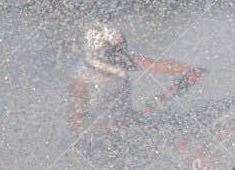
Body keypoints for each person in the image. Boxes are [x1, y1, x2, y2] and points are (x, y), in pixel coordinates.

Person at [67, 23, 203, 141]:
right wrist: (108, 125)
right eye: (115, 52)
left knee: (173, 123)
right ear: (99, 52)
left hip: (129, 121)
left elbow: (156, 65)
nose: (121, 55)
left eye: (121, 49)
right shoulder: (81, 79)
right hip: (100, 138)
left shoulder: (121, 60)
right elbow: (77, 124)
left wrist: (188, 70)